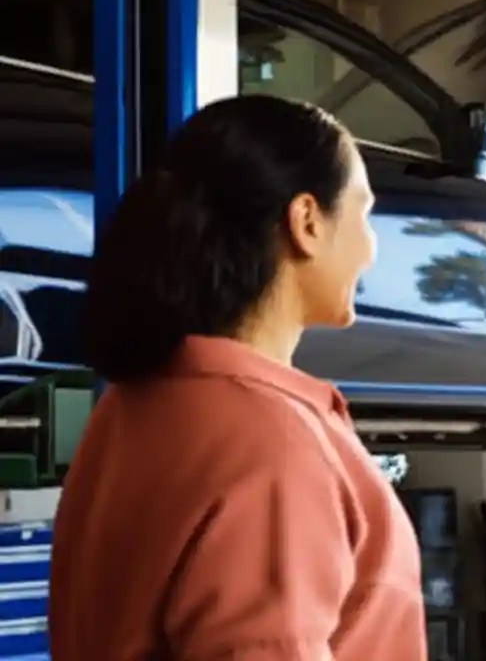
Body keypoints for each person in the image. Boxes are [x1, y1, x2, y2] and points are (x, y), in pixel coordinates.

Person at [48, 96, 428, 660]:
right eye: (363, 213)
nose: (372, 250)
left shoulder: (132, 406)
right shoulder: (272, 450)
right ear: (306, 222)